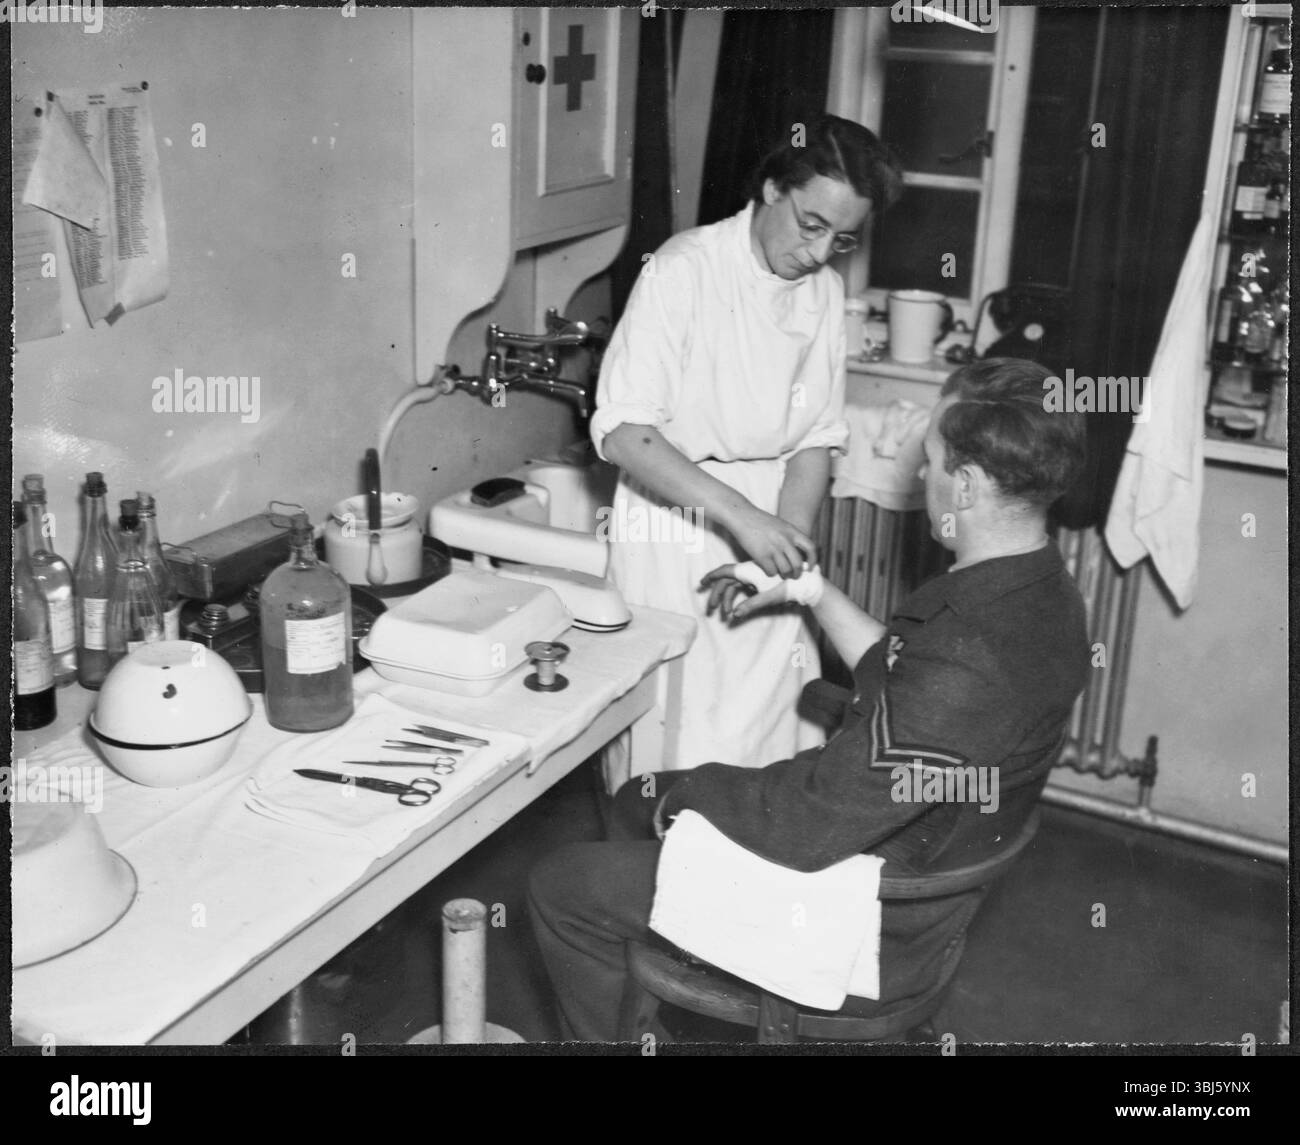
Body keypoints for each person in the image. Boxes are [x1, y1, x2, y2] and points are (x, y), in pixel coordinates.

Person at [530, 358, 1091, 1042]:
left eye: (935, 460)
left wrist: (691, 796)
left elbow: (807, 823)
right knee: (633, 801)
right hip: (905, 852)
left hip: (863, 914)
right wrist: (810, 590)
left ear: (967, 486)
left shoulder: (972, 657)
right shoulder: (1039, 593)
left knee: (562, 886)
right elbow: (904, 673)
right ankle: (655, 996)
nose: (922, 474)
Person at [589, 115, 904, 786]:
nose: (821, 253)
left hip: (765, 531)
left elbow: (816, 439)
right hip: (673, 524)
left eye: (843, 238)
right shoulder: (684, 270)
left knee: (769, 747)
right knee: (673, 746)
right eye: (811, 224)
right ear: (769, 188)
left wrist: (785, 543)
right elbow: (624, 433)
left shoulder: (824, 291)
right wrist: (741, 519)